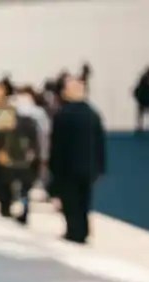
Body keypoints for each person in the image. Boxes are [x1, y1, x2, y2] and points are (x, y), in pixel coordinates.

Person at [49, 75, 106, 243]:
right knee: (84, 199)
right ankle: (84, 230)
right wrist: (100, 166)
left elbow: (58, 146)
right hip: (88, 167)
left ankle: (74, 231)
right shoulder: (93, 114)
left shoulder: (62, 115)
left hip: (68, 168)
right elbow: (100, 143)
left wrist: (54, 167)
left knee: (70, 201)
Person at [0, 94, 42, 224]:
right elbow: (35, 144)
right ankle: (21, 209)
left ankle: (8, 208)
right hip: (24, 162)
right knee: (23, 189)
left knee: (9, 187)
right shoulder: (31, 123)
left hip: (11, 162)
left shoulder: (6, 119)